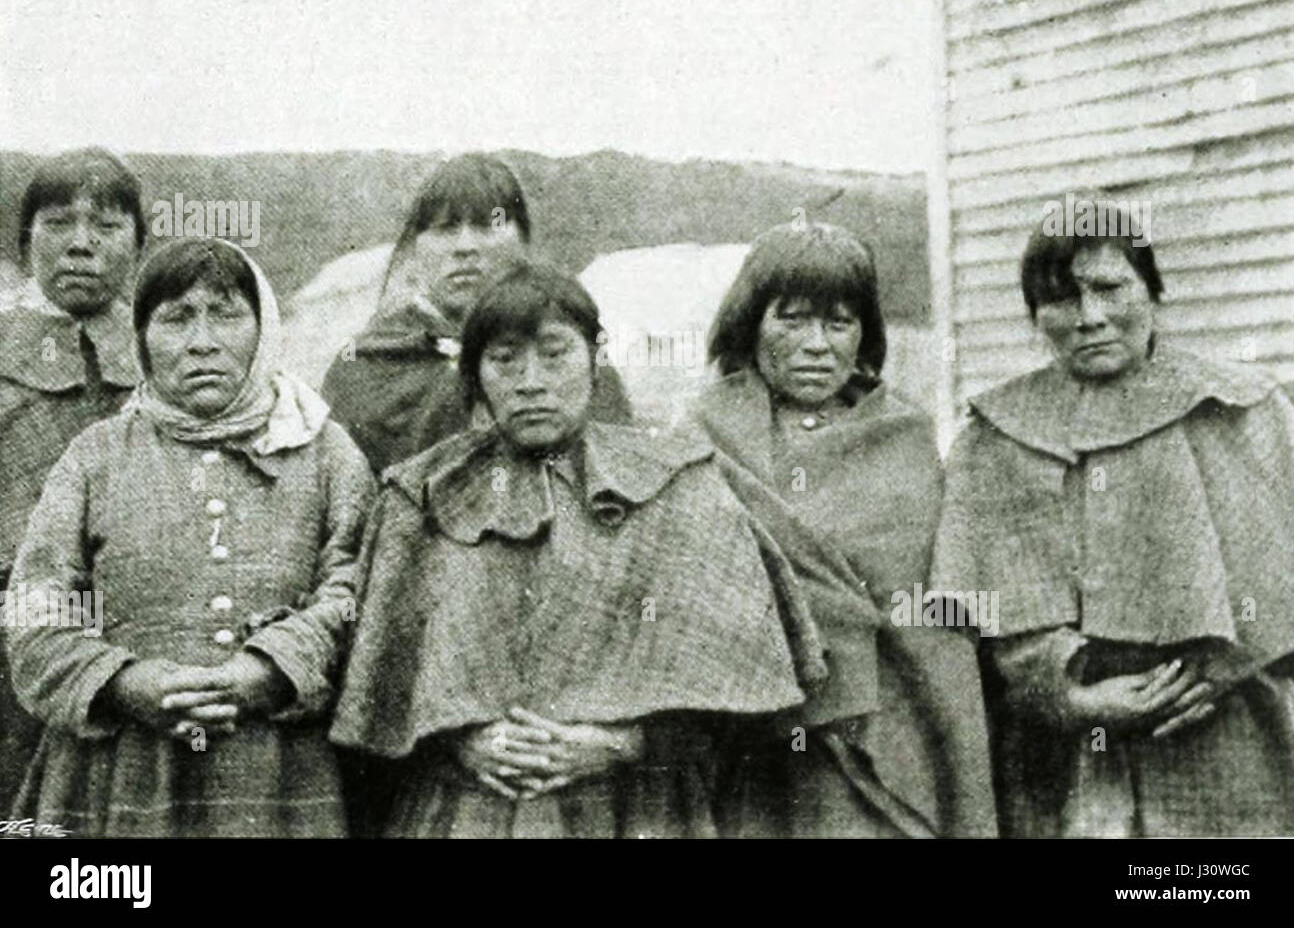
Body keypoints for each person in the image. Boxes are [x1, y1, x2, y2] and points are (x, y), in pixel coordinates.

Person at [330, 263, 806, 838]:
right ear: (476, 375)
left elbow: (742, 685)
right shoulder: (419, 498)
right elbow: (380, 686)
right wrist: (462, 739)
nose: (530, 381)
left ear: (594, 358)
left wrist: (620, 743)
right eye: (505, 359)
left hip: (636, 809)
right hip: (466, 810)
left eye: (554, 354)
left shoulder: (681, 486)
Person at [932, 219, 1294, 837]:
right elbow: (979, 605)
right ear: (1035, 316)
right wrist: (1062, 692)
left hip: (1226, 738)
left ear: (1152, 292)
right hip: (1066, 759)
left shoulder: (1246, 411)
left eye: (1110, 288)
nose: (1090, 316)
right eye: (1062, 299)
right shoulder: (993, 438)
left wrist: (1231, 660)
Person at [6, 238, 374, 836]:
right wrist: (123, 682)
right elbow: (34, 606)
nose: (202, 341)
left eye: (226, 314)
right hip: (119, 771)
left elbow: (357, 588)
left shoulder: (326, 453)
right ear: (143, 339)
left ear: (263, 329)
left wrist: (269, 669)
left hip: (275, 777)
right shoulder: (95, 456)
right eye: (176, 318)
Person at [690, 223, 995, 838]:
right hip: (749, 746)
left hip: (888, 735)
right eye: (793, 320)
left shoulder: (904, 439)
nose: (817, 345)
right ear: (751, 323)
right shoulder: (701, 437)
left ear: (865, 334)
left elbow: (936, 630)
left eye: (839, 322)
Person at [321, 153, 630, 473]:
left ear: (523, 240)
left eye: (487, 225)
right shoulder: (364, 367)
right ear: (414, 248)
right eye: (445, 228)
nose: (465, 246)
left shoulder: (575, 354)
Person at [0, 148, 145, 814]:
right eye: (58, 223)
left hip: (140, 628)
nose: (82, 244)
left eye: (107, 226)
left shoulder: (166, 351)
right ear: (24, 240)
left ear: (140, 243)